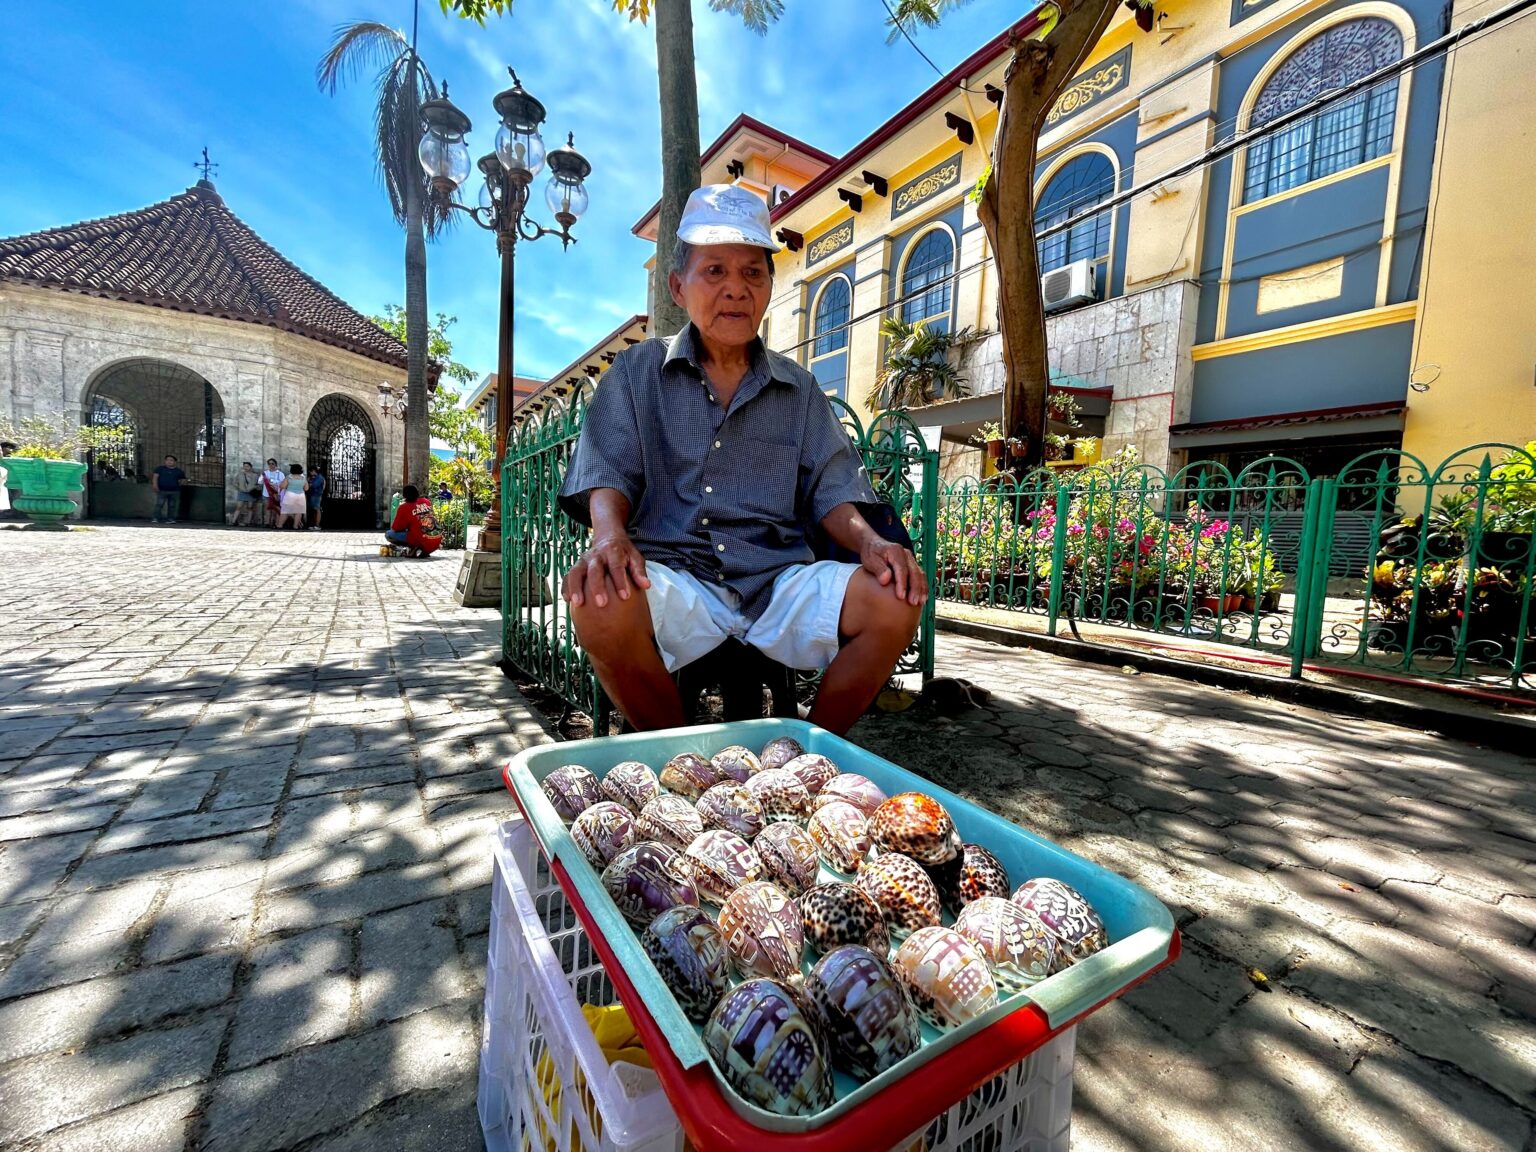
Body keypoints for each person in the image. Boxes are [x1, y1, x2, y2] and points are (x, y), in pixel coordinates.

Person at [558, 184, 926, 737]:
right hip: (674, 574)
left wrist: (872, 542)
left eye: (753, 273)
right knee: (600, 602)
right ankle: (682, 767)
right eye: (715, 271)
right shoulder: (637, 373)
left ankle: (805, 763)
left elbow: (832, 489)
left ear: (769, 287)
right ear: (678, 286)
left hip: (776, 579)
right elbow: (608, 467)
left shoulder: (800, 391)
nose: (735, 289)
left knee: (895, 601)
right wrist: (608, 536)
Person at [385, 484, 443, 557]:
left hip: (423, 541)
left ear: (404, 495)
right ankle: (421, 548)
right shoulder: (426, 501)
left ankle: (415, 547)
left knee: (389, 534)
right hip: (437, 540)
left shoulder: (404, 507)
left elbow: (395, 528)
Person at [151, 454, 187, 524]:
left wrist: (183, 483)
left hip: (174, 491)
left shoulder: (179, 471)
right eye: (167, 460)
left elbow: (182, 480)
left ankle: (170, 519)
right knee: (159, 504)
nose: (169, 462)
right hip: (162, 490)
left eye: (171, 460)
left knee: (172, 506)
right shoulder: (160, 469)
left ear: (175, 462)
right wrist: (155, 485)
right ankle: (155, 518)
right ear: (165, 461)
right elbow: (155, 477)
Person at [278, 463, 307, 530]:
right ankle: (295, 526)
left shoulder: (289, 477)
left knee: (285, 510)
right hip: (300, 496)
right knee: (298, 511)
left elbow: (283, 486)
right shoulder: (303, 478)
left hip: (290, 495)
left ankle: (279, 525)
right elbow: (306, 488)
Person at [232, 462, 261, 527]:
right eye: (244, 466)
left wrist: (254, 488)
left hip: (251, 492)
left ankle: (248, 522)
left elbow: (259, 484)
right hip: (242, 492)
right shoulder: (240, 475)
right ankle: (233, 521)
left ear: (250, 467)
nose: (246, 468)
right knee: (238, 507)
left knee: (250, 507)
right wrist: (239, 488)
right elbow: (235, 482)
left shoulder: (255, 475)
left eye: (247, 466)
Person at [261, 458, 285, 527]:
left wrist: (273, 483)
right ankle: (267, 523)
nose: (271, 465)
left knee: (275, 509)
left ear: (275, 464)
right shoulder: (265, 473)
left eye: (272, 463)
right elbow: (259, 482)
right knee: (267, 509)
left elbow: (283, 483)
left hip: (276, 494)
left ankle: (275, 523)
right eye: (269, 464)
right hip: (266, 494)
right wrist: (264, 479)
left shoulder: (280, 474)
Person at [307, 465, 326, 531]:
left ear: (314, 471)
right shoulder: (316, 477)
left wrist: (309, 482)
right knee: (314, 510)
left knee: (317, 509)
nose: (310, 473)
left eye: (311, 472)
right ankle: (315, 524)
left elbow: (313, 485)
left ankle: (317, 525)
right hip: (314, 495)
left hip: (316, 495)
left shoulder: (319, 478)